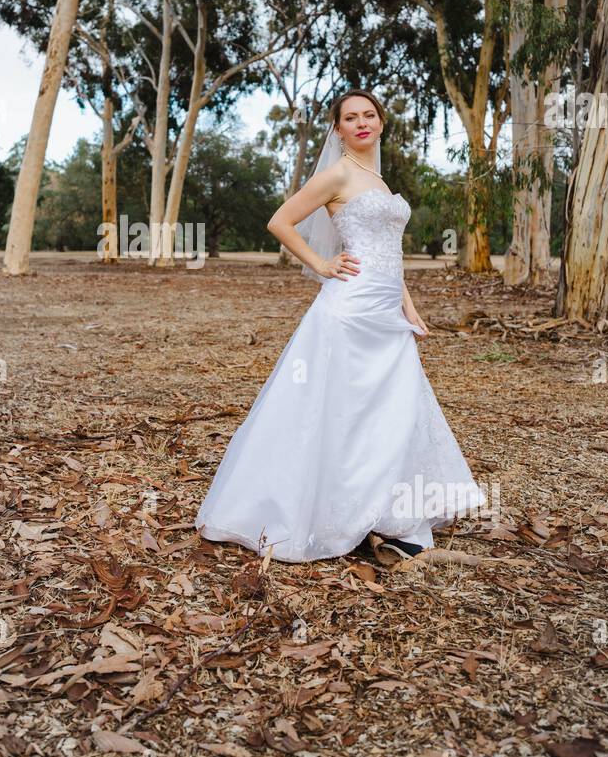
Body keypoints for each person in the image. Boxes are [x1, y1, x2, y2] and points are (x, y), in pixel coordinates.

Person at [194, 88, 486, 563]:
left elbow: (387, 254)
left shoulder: (377, 179)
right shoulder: (337, 175)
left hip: (386, 312)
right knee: (337, 411)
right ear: (338, 129)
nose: (361, 122)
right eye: (350, 117)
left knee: (391, 412)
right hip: (348, 312)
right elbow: (280, 221)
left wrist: (407, 304)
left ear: (381, 122)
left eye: (369, 114)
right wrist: (322, 264)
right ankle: (321, 512)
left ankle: (390, 512)